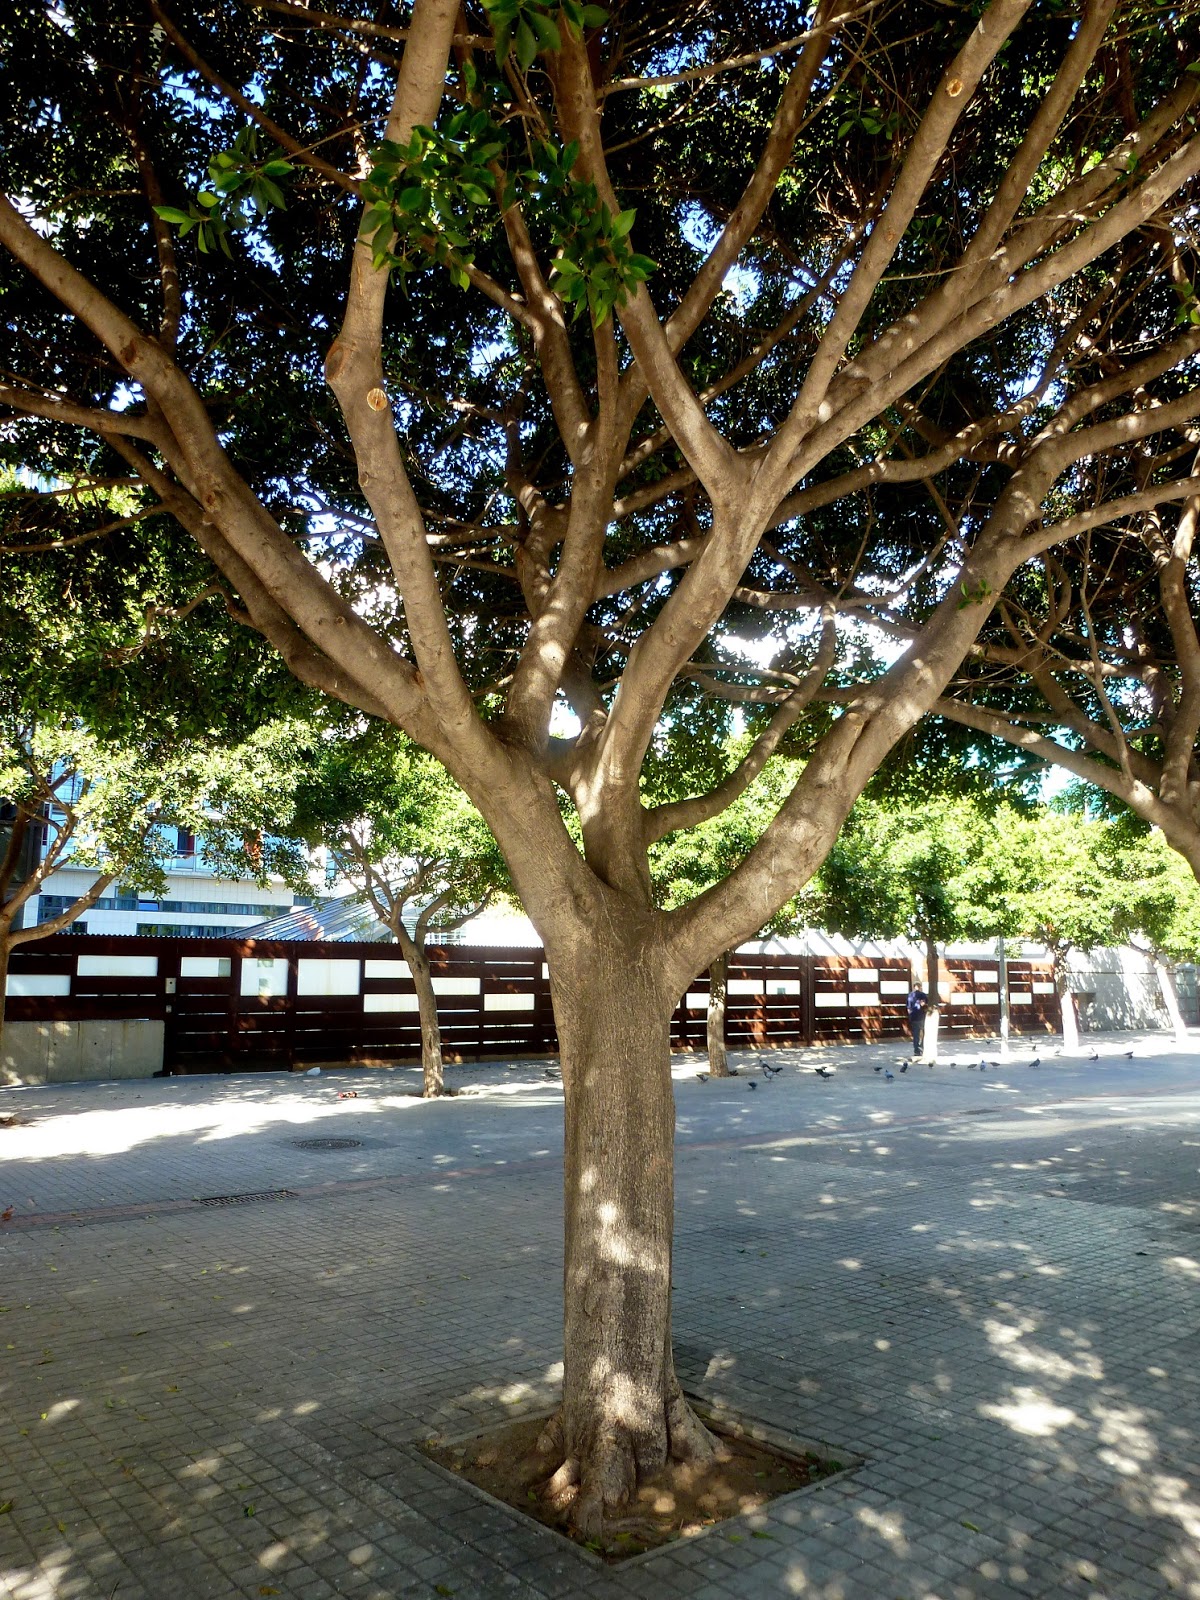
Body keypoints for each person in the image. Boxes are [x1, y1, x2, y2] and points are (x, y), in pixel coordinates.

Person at [906, 986, 928, 1056]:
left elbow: (908, 1009)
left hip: (914, 1017)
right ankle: (922, 1047)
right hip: (921, 1017)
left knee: (916, 1035)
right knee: (924, 1033)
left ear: (913, 987)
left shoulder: (910, 995)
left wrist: (911, 1016)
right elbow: (924, 1004)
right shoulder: (923, 995)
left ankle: (916, 1050)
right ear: (920, 987)